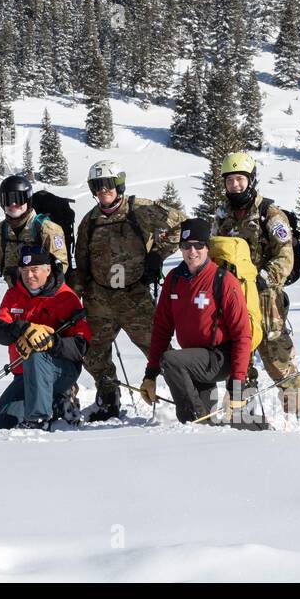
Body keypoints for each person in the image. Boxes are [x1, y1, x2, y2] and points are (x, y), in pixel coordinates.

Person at [73, 160, 184, 421]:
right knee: (93, 352)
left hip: (134, 296)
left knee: (160, 350)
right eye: (97, 186)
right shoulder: (89, 221)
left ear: (118, 184)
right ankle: (108, 396)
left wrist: (158, 254)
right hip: (100, 298)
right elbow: (82, 261)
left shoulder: (139, 209)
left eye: (108, 185)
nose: (103, 191)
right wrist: (76, 292)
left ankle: (187, 395)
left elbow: (180, 224)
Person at [211, 151, 300, 415]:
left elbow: (285, 254)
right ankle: (243, 412)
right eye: (230, 181)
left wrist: (264, 278)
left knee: (277, 357)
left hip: (265, 298)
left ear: (250, 180)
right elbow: (213, 250)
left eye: (240, 179)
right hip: (233, 296)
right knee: (239, 356)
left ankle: (298, 411)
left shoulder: (270, 213)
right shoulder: (222, 216)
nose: (235, 185)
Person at [139, 219, 252, 424]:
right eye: (186, 246)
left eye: (198, 245)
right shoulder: (174, 279)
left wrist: (236, 385)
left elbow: (242, 334)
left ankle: (197, 421)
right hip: (194, 361)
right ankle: (202, 428)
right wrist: (150, 374)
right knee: (199, 420)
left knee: (172, 361)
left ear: (207, 247)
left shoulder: (223, 280)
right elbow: (162, 329)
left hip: (220, 357)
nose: (192, 251)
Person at [0, 246, 91, 431]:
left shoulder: (66, 298)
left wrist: (52, 342)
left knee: (36, 355)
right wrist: (22, 328)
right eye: (25, 270)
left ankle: (38, 419)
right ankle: (58, 404)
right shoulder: (13, 295)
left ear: (48, 269)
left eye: (35, 270)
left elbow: (81, 346)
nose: (29, 276)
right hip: (24, 375)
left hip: (60, 373)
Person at [0, 174, 68, 288]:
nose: (13, 204)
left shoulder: (47, 229)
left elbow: (61, 266)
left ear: (28, 200)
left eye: (18, 199)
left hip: (45, 295)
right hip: (16, 294)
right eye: (8, 199)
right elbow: (0, 262)